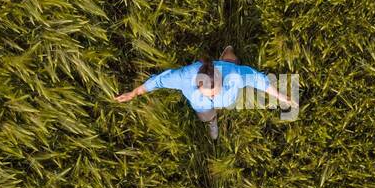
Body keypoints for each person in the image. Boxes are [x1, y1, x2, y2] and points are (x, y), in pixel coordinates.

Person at [114, 45, 293, 140]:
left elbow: (257, 79)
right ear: (198, 85)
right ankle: (212, 121)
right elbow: (158, 80)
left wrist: (281, 96)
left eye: (216, 91)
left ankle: (228, 51)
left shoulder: (233, 74)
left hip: (228, 75)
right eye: (211, 93)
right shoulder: (184, 77)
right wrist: (134, 93)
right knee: (206, 115)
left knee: (232, 60)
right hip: (202, 107)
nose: (214, 96)